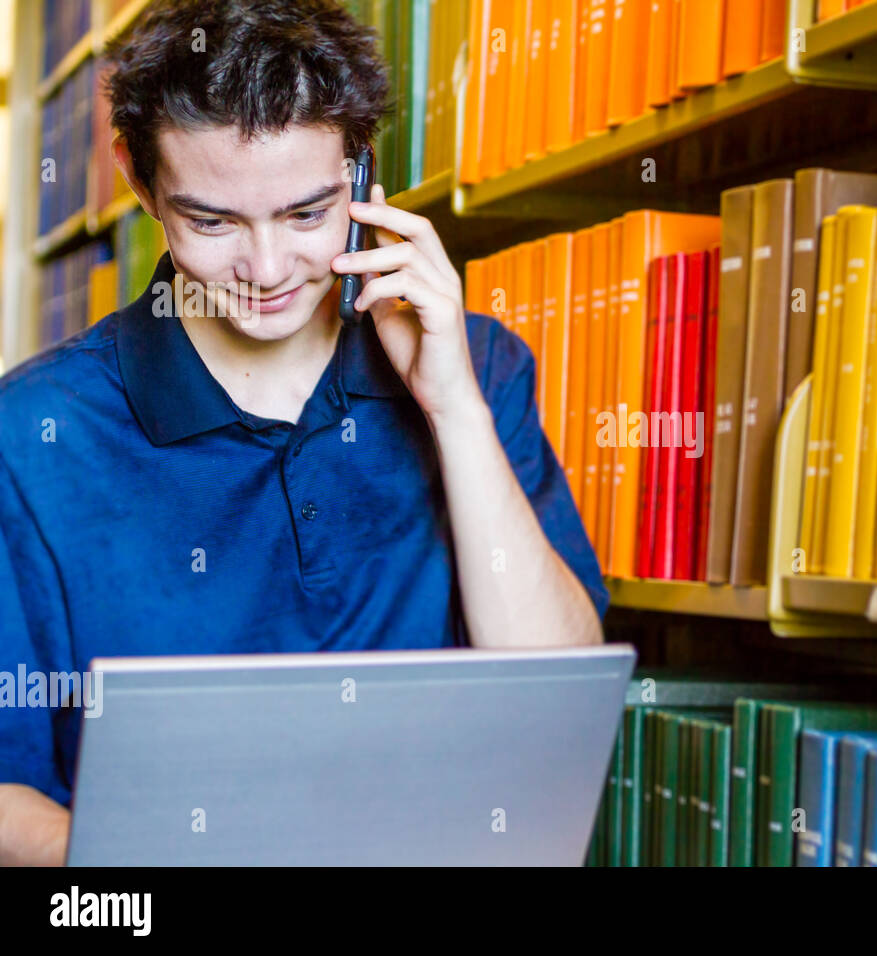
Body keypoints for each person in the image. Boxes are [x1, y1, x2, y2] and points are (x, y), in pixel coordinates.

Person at [0, 0, 607, 866]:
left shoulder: (478, 370)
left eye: (306, 214)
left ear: (360, 168)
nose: (269, 271)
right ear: (138, 181)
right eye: (212, 222)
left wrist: (455, 411)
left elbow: (558, 711)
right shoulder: (29, 437)